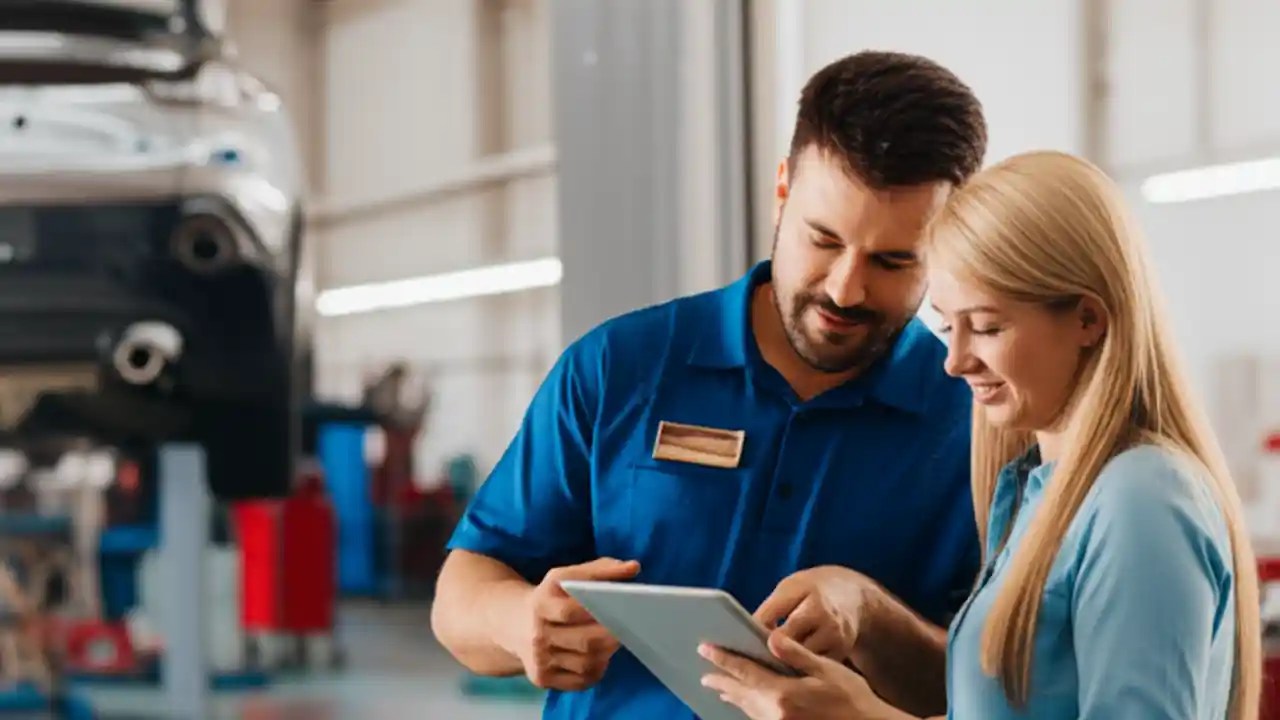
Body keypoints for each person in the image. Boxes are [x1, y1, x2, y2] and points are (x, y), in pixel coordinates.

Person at [431, 50, 988, 718]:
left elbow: (994, 691)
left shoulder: (977, 419)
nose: (847, 287)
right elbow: (460, 593)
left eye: (893, 260)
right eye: (823, 239)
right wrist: (518, 622)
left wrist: (871, 617)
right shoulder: (619, 368)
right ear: (782, 190)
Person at [699, 150, 1263, 719]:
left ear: (1088, 320)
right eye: (948, 326)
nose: (955, 361)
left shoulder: (1141, 496)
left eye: (988, 327)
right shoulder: (1036, 491)